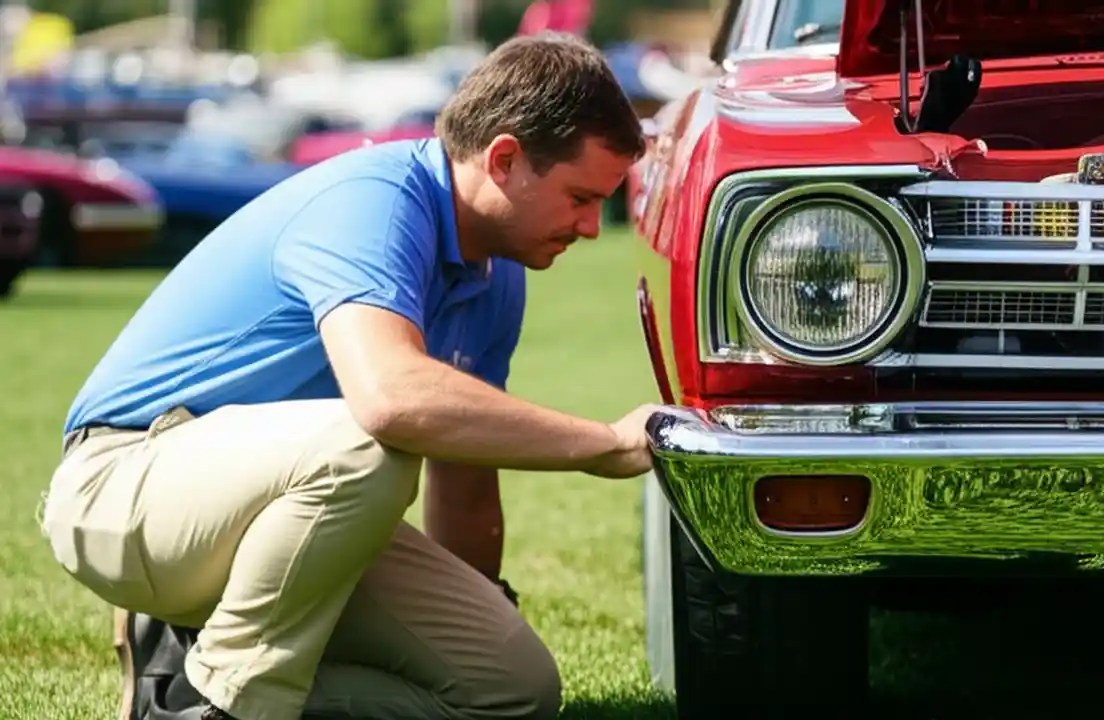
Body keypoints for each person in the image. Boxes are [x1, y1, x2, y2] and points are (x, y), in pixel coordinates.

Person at [39, 32, 655, 720]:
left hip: (266, 507)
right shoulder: (375, 200)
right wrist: (606, 442)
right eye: (579, 197)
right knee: (370, 440)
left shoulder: (500, 271)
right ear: (504, 159)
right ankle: (228, 705)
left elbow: (465, 467)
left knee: (511, 690)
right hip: (119, 489)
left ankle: (175, 684)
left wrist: (479, 606)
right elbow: (392, 401)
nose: (592, 227)